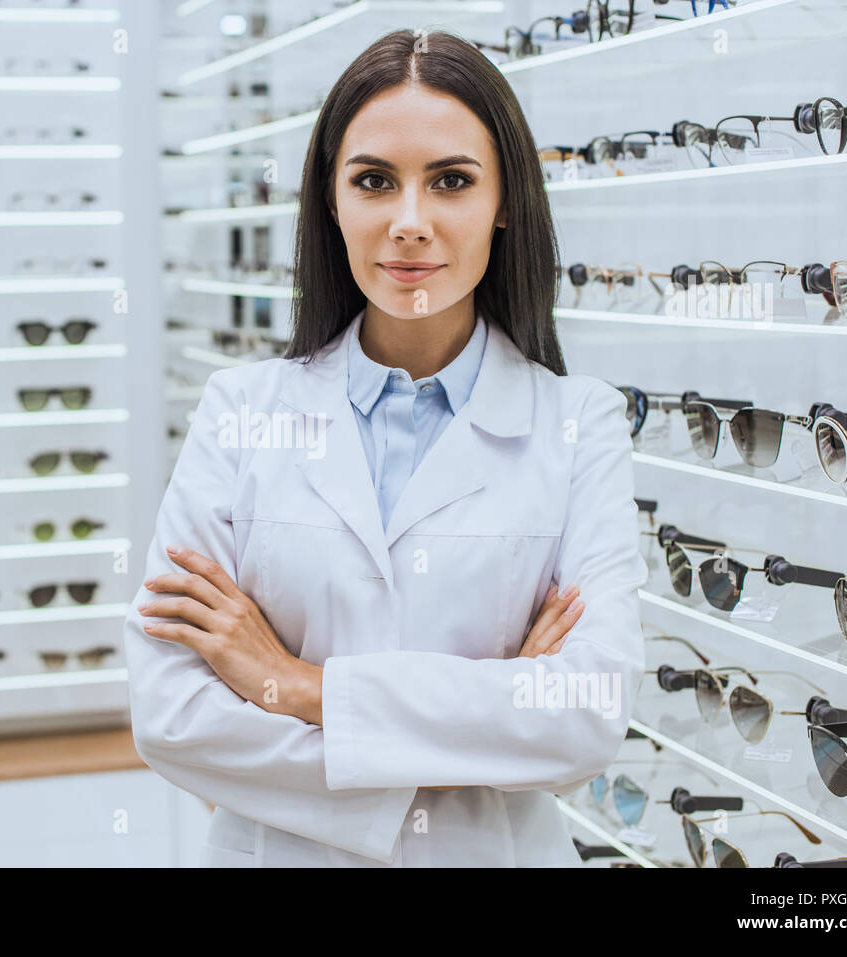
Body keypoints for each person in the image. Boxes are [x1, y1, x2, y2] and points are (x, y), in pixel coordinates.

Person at [124, 28, 648, 867]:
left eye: (451, 181)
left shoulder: (579, 426)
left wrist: (301, 688)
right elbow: (172, 716)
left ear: (505, 199)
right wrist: (486, 725)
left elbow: (586, 712)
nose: (410, 223)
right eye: (374, 181)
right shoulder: (239, 413)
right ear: (331, 202)